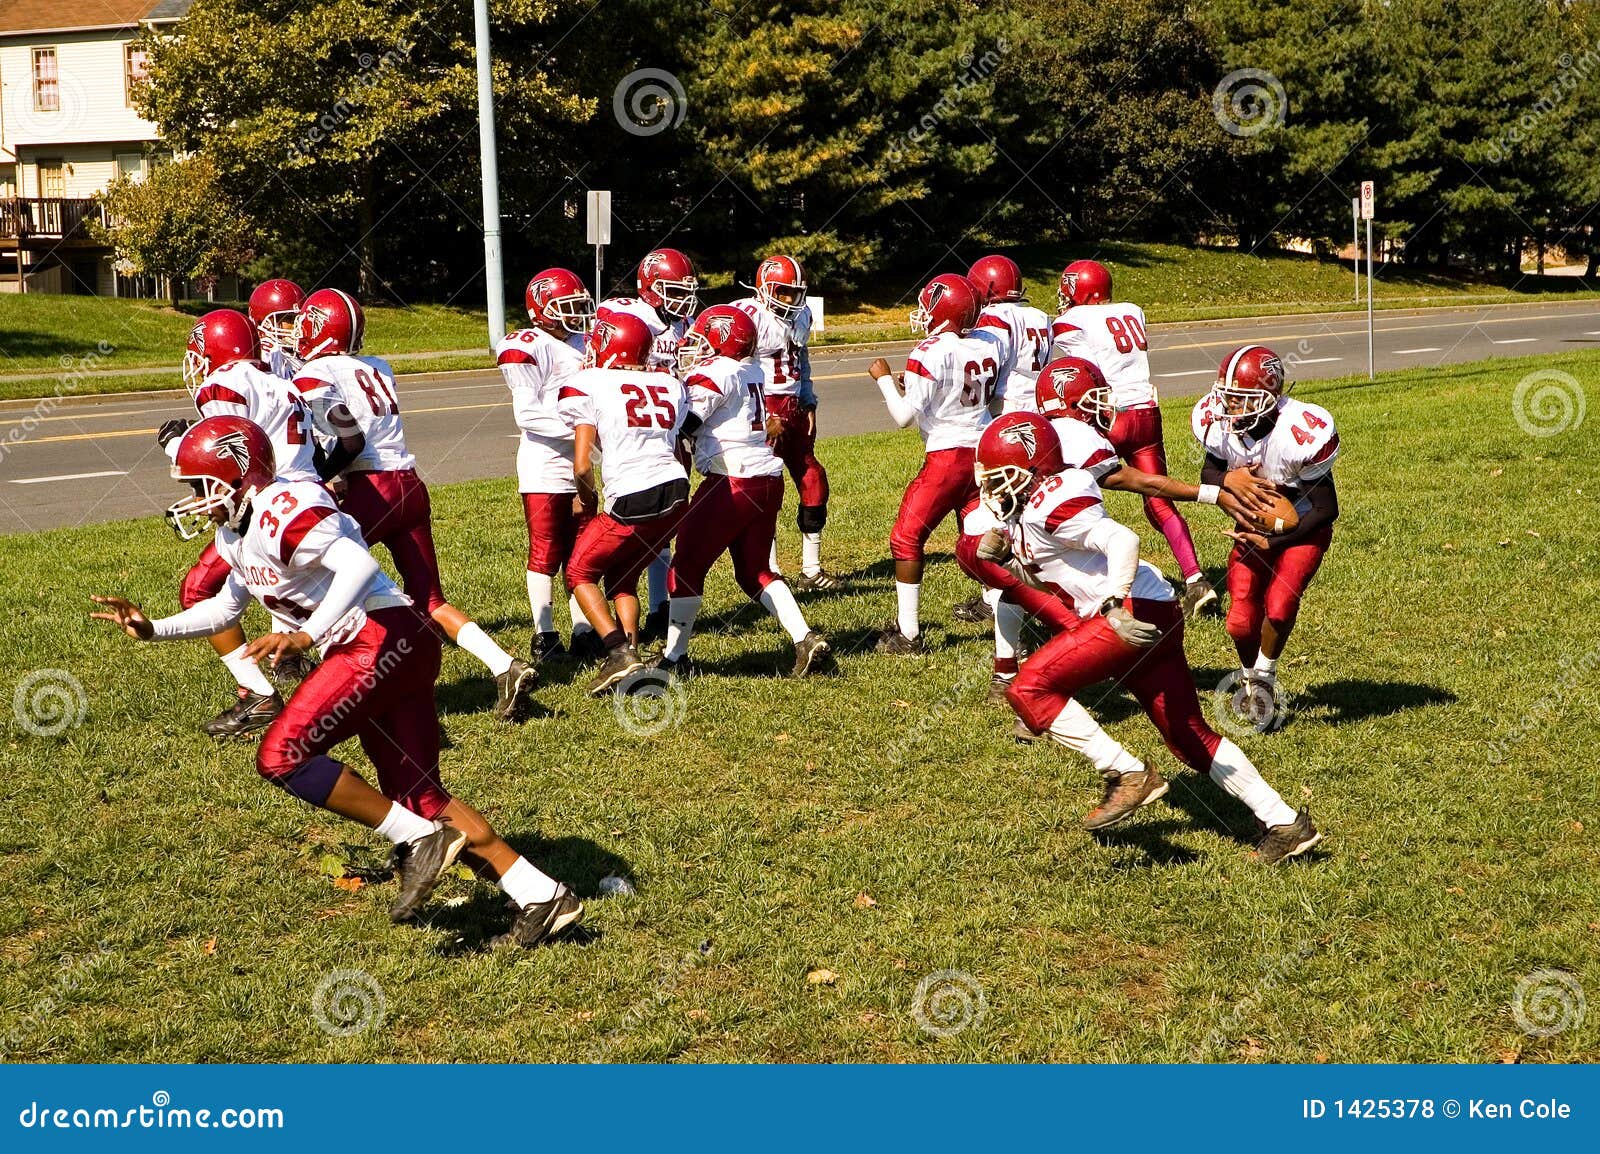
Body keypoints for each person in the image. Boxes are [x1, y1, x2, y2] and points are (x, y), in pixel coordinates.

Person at [90, 416, 584, 945]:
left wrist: (307, 636)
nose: (195, 499)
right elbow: (224, 608)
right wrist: (153, 629)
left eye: (200, 486)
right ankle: (541, 894)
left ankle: (419, 839)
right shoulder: (239, 530)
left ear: (236, 474)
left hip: (379, 639)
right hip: (393, 642)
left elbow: (358, 567)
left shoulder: (286, 509)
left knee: (282, 755)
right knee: (418, 794)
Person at [972, 412, 1322, 863]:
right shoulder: (1028, 513)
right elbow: (1066, 579)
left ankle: (1126, 773)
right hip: (1147, 610)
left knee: (1030, 686)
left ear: (1034, 468)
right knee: (1187, 735)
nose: (991, 490)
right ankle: (1284, 821)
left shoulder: (1052, 497)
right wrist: (1013, 563)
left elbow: (1121, 540)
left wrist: (1116, 604)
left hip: (1131, 612)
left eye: (1000, 478)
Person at [291, 288, 536, 720]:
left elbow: (352, 442)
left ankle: (336, 682)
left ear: (318, 327)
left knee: (320, 580)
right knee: (430, 598)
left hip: (368, 490)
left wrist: (318, 477)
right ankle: (504, 664)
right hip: (408, 484)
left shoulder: (317, 372)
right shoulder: (379, 368)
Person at [157, 309, 321, 737]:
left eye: (199, 353)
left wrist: (175, 443)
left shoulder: (224, 382)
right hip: (305, 496)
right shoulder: (281, 381)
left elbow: (227, 454)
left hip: (264, 504)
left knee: (198, 589)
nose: (197, 365)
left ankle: (258, 694)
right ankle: (300, 662)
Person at [658, 305, 830, 678]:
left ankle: (675, 658)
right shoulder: (750, 368)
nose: (696, 348)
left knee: (685, 566)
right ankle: (804, 638)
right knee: (754, 570)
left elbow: (688, 423)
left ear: (720, 340)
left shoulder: (714, 372)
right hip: (767, 477)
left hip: (731, 480)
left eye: (704, 339)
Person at [1051, 259, 1215, 617]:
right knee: (1157, 496)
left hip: (1106, 414)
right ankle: (1195, 579)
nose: (1064, 298)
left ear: (1084, 291)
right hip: (1146, 411)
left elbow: (1079, 374)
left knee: (1075, 486)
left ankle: (1084, 571)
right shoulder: (1133, 310)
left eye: (1069, 290)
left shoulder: (1070, 322)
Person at [1193, 345, 1340, 730]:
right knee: (1240, 620)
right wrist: (1229, 480)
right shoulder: (1221, 425)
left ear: (1270, 397)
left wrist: (1272, 542)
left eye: (1241, 401)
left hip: (1305, 524)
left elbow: (1327, 508)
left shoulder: (1300, 431)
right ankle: (1250, 677)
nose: (1229, 410)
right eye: (1227, 399)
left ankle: (1265, 677)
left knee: (1277, 605)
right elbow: (1209, 474)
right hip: (1255, 525)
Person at [557, 311, 690, 695]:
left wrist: (587, 497)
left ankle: (617, 652)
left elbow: (582, 463)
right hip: (677, 493)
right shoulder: (668, 383)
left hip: (633, 495)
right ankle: (630, 655)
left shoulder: (591, 383)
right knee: (623, 577)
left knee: (579, 573)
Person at [867, 273, 999, 653]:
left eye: (928, 307)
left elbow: (904, 417)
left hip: (948, 458)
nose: (923, 314)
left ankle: (908, 635)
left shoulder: (928, 350)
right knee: (978, 540)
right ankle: (1004, 607)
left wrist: (884, 380)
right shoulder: (986, 345)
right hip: (982, 453)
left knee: (906, 538)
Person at [598, 247, 702, 637]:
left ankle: (659, 605)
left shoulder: (683, 321)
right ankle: (620, 603)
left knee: (665, 522)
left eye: (686, 289)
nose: (683, 298)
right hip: (631, 431)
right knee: (627, 518)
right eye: (673, 289)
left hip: (668, 428)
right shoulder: (624, 313)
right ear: (649, 288)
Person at [496, 268, 594, 663]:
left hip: (579, 463)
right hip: (543, 465)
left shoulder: (581, 341)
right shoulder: (529, 344)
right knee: (546, 551)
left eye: (578, 306)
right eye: (567, 308)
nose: (577, 315)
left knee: (582, 552)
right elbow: (528, 416)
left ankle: (585, 630)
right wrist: (585, 434)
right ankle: (545, 635)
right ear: (542, 311)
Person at [732, 255, 843, 590]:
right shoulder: (748, 316)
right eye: (781, 292)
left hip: (793, 405)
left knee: (813, 478)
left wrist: (808, 400)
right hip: (762, 406)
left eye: (794, 293)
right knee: (768, 488)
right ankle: (769, 568)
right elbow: (732, 370)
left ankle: (811, 569)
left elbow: (802, 359)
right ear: (765, 288)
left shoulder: (802, 314)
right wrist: (761, 415)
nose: (789, 300)